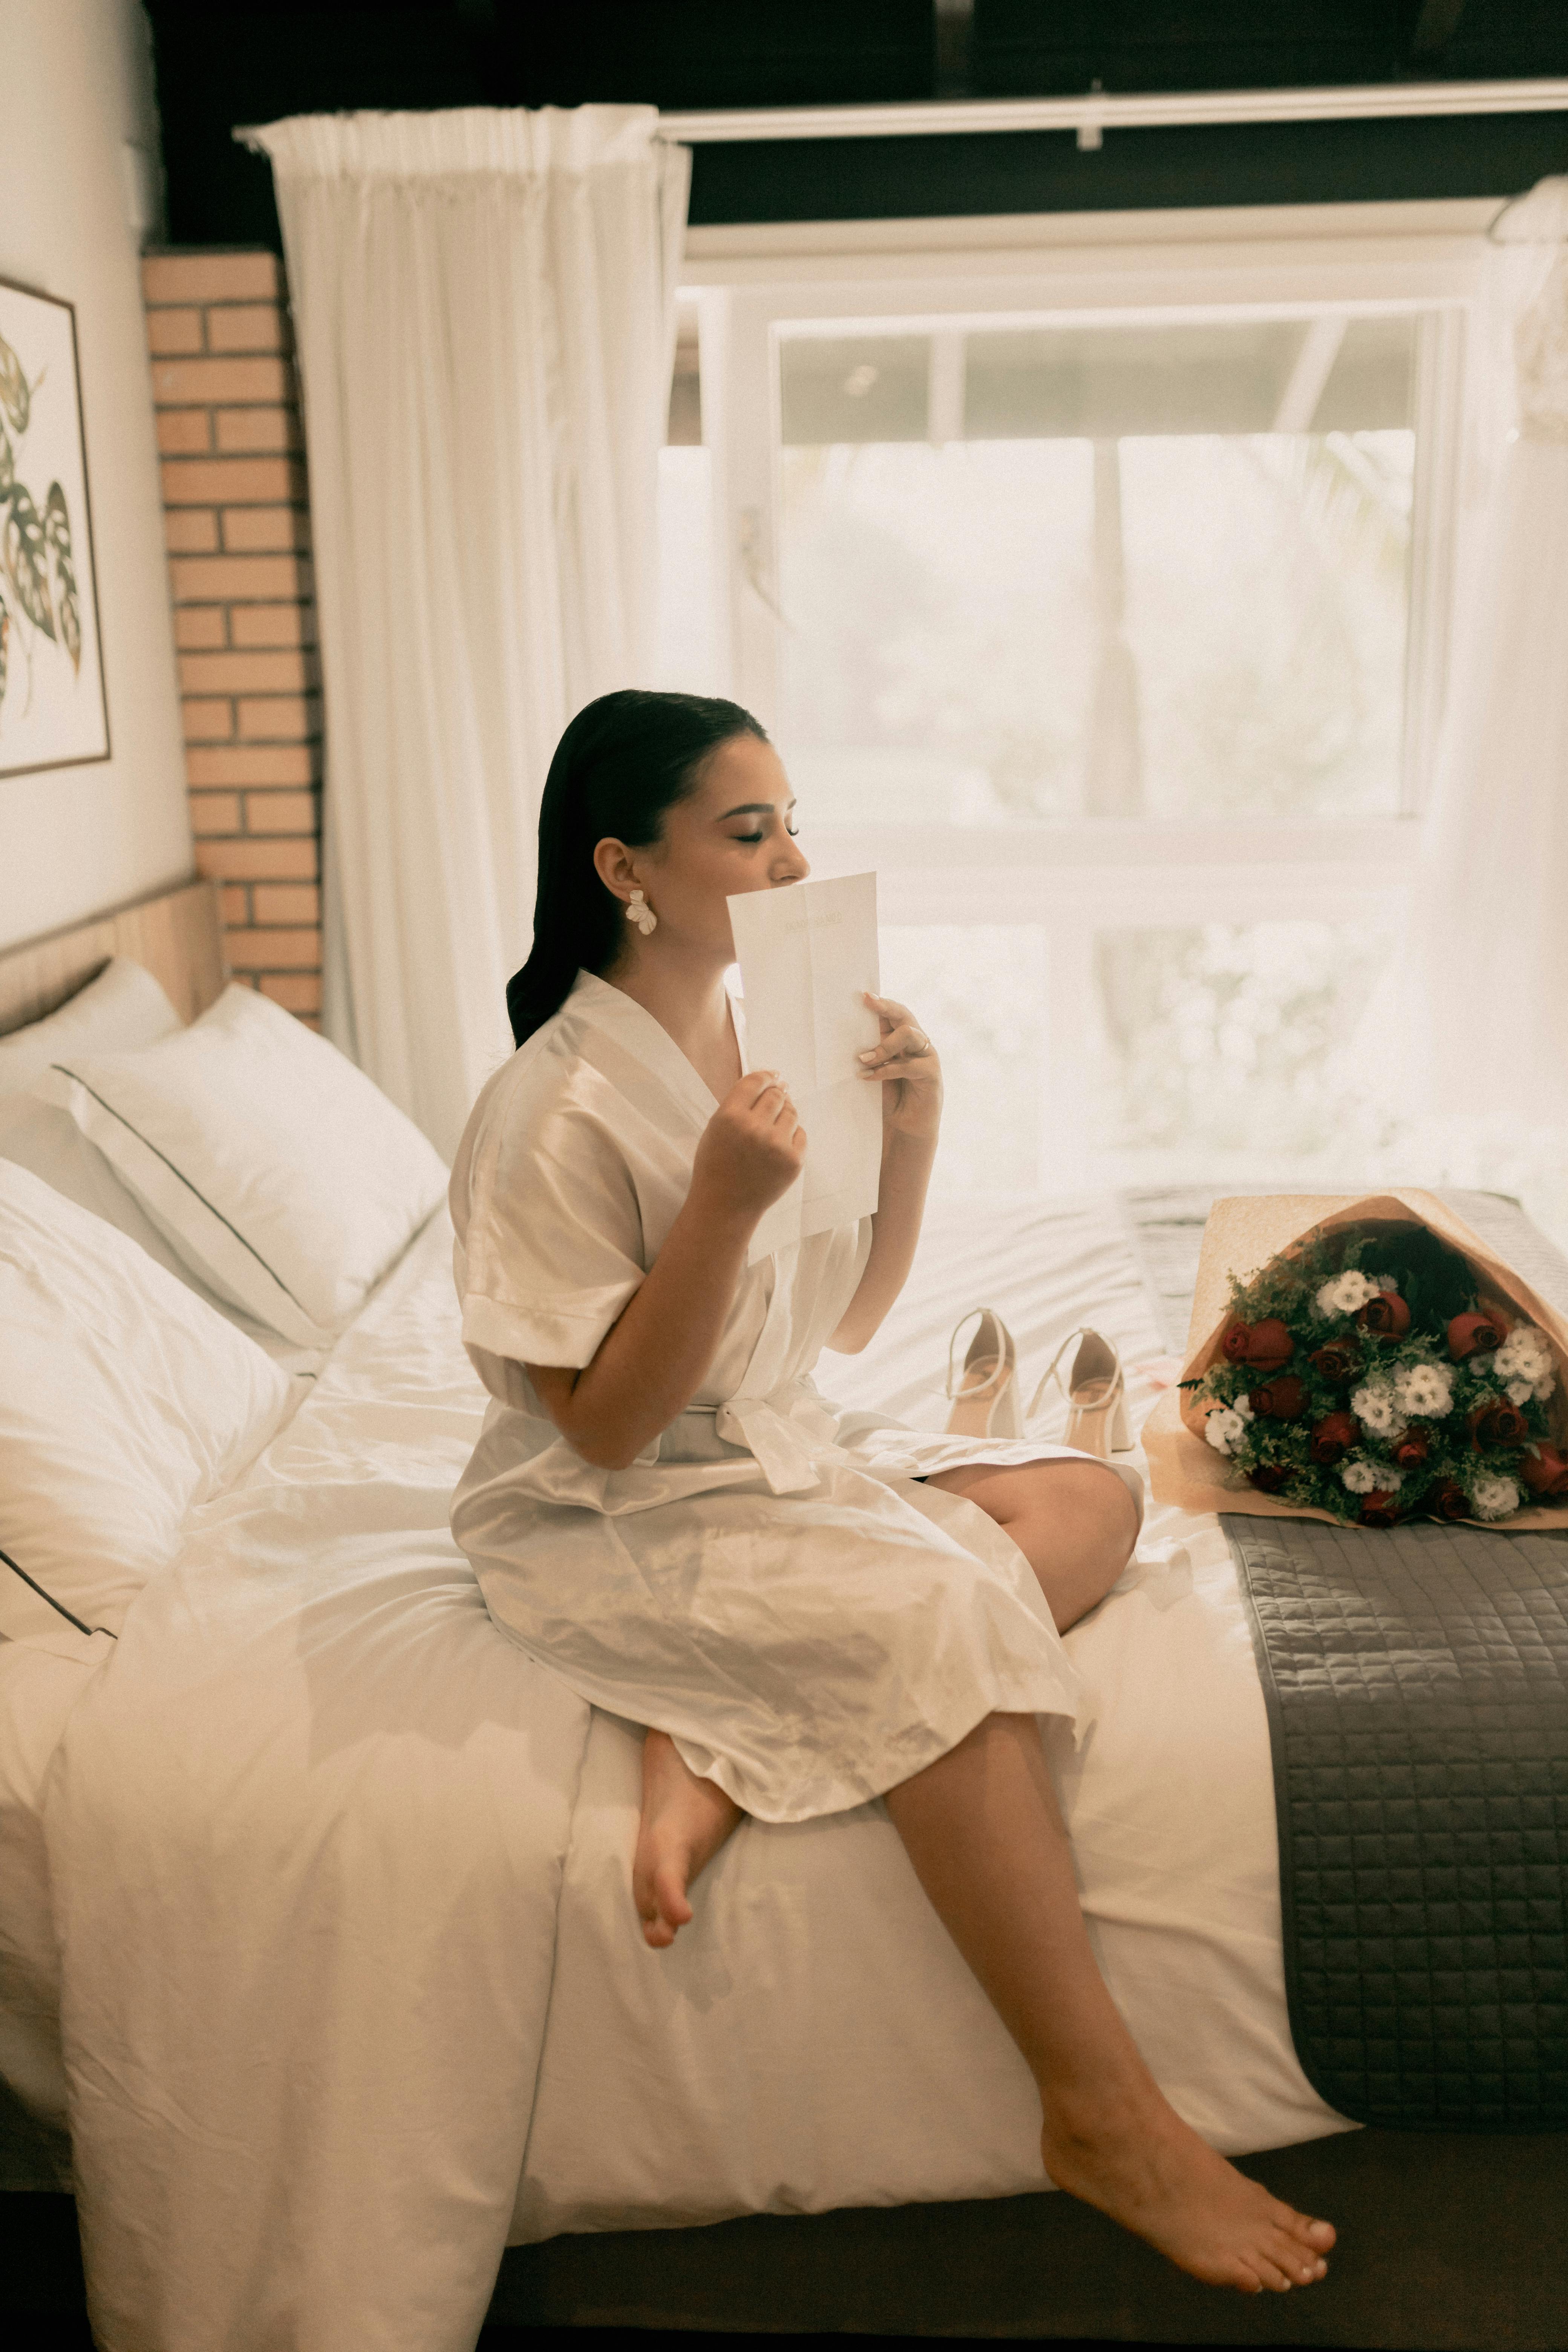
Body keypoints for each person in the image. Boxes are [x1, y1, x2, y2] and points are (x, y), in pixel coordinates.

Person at [449, 688, 1336, 2296]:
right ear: (624, 868)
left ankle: (722, 1738)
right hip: (613, 1514)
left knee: (1094, 1501)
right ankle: (1102, 2115)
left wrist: (912, 1139)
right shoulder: (551, 1110)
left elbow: (846, 1320)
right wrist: (720, 1205)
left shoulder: (765, 1034)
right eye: (748, 833)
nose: (794, 862)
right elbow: (604, 1436)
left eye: (793, 824)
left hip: (764, 1445)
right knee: (940, 1627)